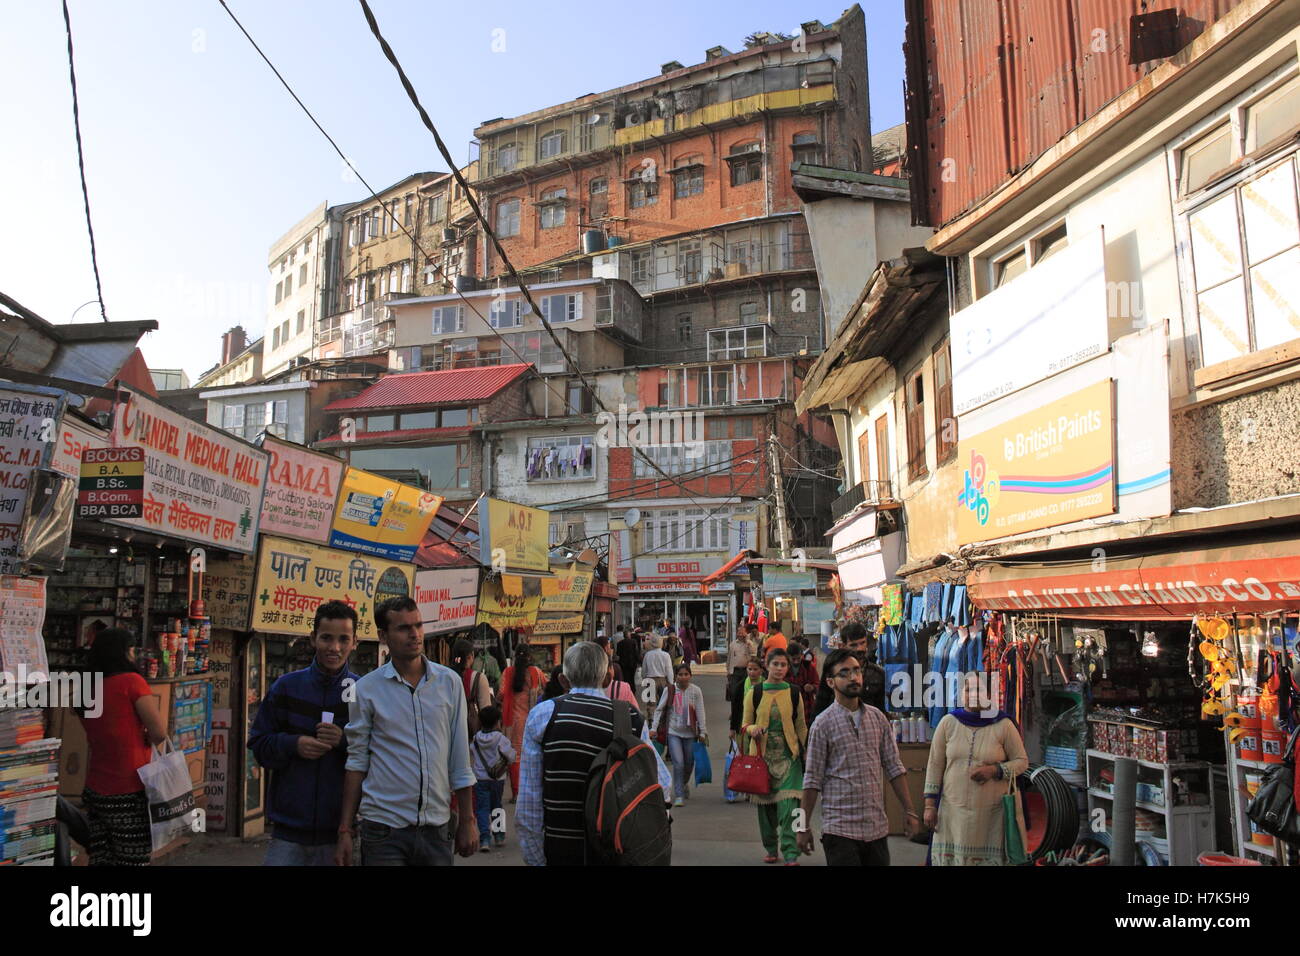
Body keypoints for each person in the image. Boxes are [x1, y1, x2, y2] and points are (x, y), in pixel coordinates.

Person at [336, 597, 477, 866]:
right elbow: (356, 761)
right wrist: (345, 829)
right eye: (403, 628)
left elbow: (460, 757)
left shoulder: (449, 683)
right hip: (383, 829)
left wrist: (468, 820)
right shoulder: (366, 690)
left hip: (436, 827)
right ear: (383, 635)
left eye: (419, 625)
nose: (414, 634)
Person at [516, 642, 671, 866]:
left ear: (563, 681)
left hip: (561, 849)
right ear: (607, 678)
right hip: (616, 852)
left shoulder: (543, 716)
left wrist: (537, 859)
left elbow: (528, 806)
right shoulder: (630, 718)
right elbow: (663, 786)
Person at [249, 601, 360, 865]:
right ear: (313, 639)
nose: (334, 648)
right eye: (326, 638)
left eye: (343, 639)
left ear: (355, 642)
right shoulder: (286, 688)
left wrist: (344, 741)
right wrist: (293, 744)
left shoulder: (362, 693)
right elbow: (258, 744)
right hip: (288, 833)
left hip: (340, 833)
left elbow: (377, 754)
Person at [798, 649, 918, 865]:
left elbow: (894, 768)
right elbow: (811, 780)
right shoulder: (822, 725)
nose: (853, 677)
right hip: (839, 830)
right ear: (830, 682)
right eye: (844, 673)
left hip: (876, 829)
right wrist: (801, 826)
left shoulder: (878, 719)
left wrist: (910, 811)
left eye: (856, 671)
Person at [77, 628, 169, 866]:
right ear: (124, 652)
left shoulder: (86, 689)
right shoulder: (131, 682)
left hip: (96, 788)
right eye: (131, 650)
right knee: (132, 859)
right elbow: (159, 733)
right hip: (130, 787)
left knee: (101, 857)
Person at [923, 672, 1030, 866]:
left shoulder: (1003, 724)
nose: (973, 694)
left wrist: (994, 771)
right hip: (952, 813)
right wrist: (930, 806)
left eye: (979, 689)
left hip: (991, 816)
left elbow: (1022, 761)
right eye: (968, 689)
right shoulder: (948, 723)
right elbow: (934, 765)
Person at [740, 648, 808, 865]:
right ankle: (770, 847)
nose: (779, 669)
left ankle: (790, 852)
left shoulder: (794, 692)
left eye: (783, 665)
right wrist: (753, 730)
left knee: (790, 808)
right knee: (766, 811)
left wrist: (810, 752)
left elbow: (801, 727)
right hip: (762, 760)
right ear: (766, 666)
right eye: (775, 664)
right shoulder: (755, 692)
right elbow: (744, 724)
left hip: (790, 758)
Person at [651, 663, 708, 807]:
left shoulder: (696, 691)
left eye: (686, 674)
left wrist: (703, 731)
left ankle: (682, 784)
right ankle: (679, 794)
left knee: (689, 763)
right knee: (678, 763)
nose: (683, 677)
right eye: (680, 674)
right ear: (675, 676)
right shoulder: (669, 690)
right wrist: (654, 728)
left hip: (690, 733)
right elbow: (659, 710)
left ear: (690, 676)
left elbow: (700, 711)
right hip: (673, 732)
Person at [499, 645, 547, 798]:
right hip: (533, 720)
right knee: (533, 755)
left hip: (512, 722)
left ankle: (516, 793)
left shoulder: (507, 673)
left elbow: (500, 694)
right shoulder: (536, 672)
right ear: (529, 657)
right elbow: (547, 687)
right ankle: (531, 790)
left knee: (515, 757)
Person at [813, 623, 886, 718]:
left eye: (862, 643)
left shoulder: (877, 673)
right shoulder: (834, 671)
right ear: (843, 646)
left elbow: (881, 710)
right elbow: (821, 702)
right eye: (853, 645)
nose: (859, 649)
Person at [470, 705, 514, 852]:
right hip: (497, 779)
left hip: (480, 779)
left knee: (482, 809)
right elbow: (511, 756)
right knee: (497, 806)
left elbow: (472, 752)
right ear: (497, 722)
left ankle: (484, 840)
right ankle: (499, 836)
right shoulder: (500, 738)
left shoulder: (476, 739)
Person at [450, 638, 493, 735]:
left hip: (450, 731)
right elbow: (486, 711)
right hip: (471, 734)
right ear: (470, 656)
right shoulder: (479, 678)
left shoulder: (445, 676)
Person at [729, 658, 765, 742]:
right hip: (743, 723)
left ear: (761, 670)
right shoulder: (740, 687)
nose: (752, 672)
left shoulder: (766, 685)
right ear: (746, 670)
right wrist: (732, 729)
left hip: (761, 723)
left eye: (755, 669)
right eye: (750, 669)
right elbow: (735, 709)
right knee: (744, 752)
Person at [639, 635, 673, 720]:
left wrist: (644, 679)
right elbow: (669, 670)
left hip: (650, 680)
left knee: (651, 702)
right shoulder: (666, 655)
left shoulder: (648, 655)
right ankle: (662, 719)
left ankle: (651, 718)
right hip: (662, 680)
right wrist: (670, 682)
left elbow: (644, 670)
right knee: (663, 701)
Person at [788, 636, 820, 719]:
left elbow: (818, 685)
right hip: (788, 707)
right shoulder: (784, 668)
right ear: (788, 657)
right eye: (793, 659)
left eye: (798, 658)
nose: (796, 661)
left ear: (802, 655)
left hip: (807, 707)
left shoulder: (809, 667)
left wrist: (812, 687)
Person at [726, 625, 755, 702]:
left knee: (745, 692)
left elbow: (753, 654)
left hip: (746, 671)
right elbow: (729, 658)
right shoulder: (732, 644)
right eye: (739, 632)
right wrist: (728, 671)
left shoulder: (749, 644)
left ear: (746, 633)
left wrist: (747, 642)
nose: (740, 634)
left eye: (742, 632)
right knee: (734, 692)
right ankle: (734, 712)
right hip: (735, 671)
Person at [616, 626, 642, 695]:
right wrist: (639, 660)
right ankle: (633, 690)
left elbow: (618, 654)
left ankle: (626, 690)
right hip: (632, 663)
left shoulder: (619, 643)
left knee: (625, 677)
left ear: (624, 636)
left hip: (623, 663)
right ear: (629, 635)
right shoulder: (634, 642)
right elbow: (636, 652)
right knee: (632, 677)